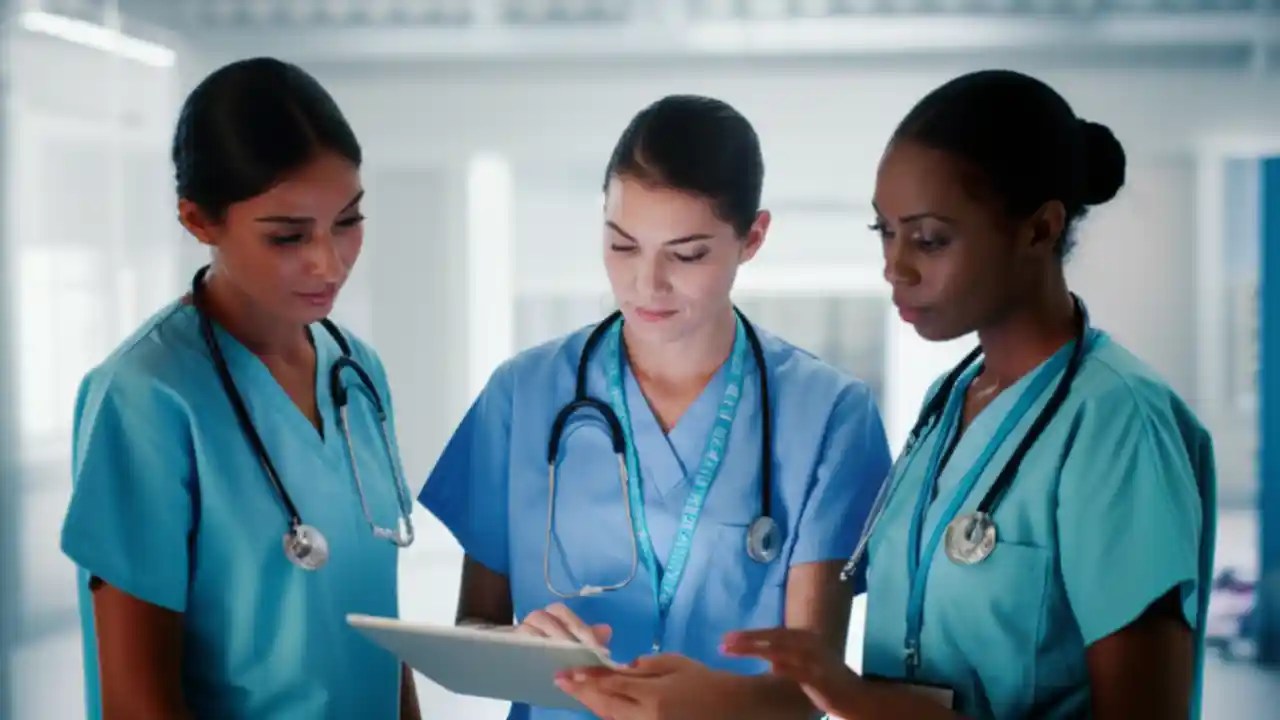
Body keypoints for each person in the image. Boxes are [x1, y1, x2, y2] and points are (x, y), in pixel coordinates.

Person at [722, 69, 1217, 720]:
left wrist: (857, 699)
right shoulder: (949, 401)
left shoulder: (1117, 423)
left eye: (928, 239)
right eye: (885, 233)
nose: (894, 268)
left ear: (1039, 230)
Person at [419, 94, 892, 719]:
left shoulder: (830, 415)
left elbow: (812, 689)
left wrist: (708, 703)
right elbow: (475, 626)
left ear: (752, 238)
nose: (647, 283)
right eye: (622, 245)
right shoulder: (523, 394)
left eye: (687, 253)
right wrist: (515, 646)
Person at [60, 57, 420, 719]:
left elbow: (375, 641)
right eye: (288, 235)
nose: (328, 261)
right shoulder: (147, 397)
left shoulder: (357, 374)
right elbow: (135, 701)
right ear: (199, 221)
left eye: (348, 221)